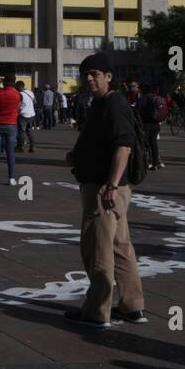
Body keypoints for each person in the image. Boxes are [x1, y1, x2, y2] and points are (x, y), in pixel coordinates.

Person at [65, 52, 145, 330]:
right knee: (120, 248)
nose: (88, 79)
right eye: (85, 74)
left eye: (94, 74)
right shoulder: (99, 103)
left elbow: (124, 146)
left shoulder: (115, 104)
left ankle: (98, 312)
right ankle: (132, 307)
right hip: (105, 185)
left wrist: (111, 185)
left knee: (97, 249)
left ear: (109, 77)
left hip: (104, 189)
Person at [135, 85, 167, 170]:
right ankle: (155, 163)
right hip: (156, 124)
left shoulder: (143, 98)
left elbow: (136, 110)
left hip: (146, 124)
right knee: (154, 144)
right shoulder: (156, 97)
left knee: (144, 143)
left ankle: (147, 162)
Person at [15, 80, 36, 153]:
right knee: (29, 131)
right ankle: (32, 146)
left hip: (23, 115)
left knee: (21, 132)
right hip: (32, 114)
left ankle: (20, 147)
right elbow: (35, 101)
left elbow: (18, 105)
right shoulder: (30, 92)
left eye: (16, 87)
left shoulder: (19, 94)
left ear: (19, 87)